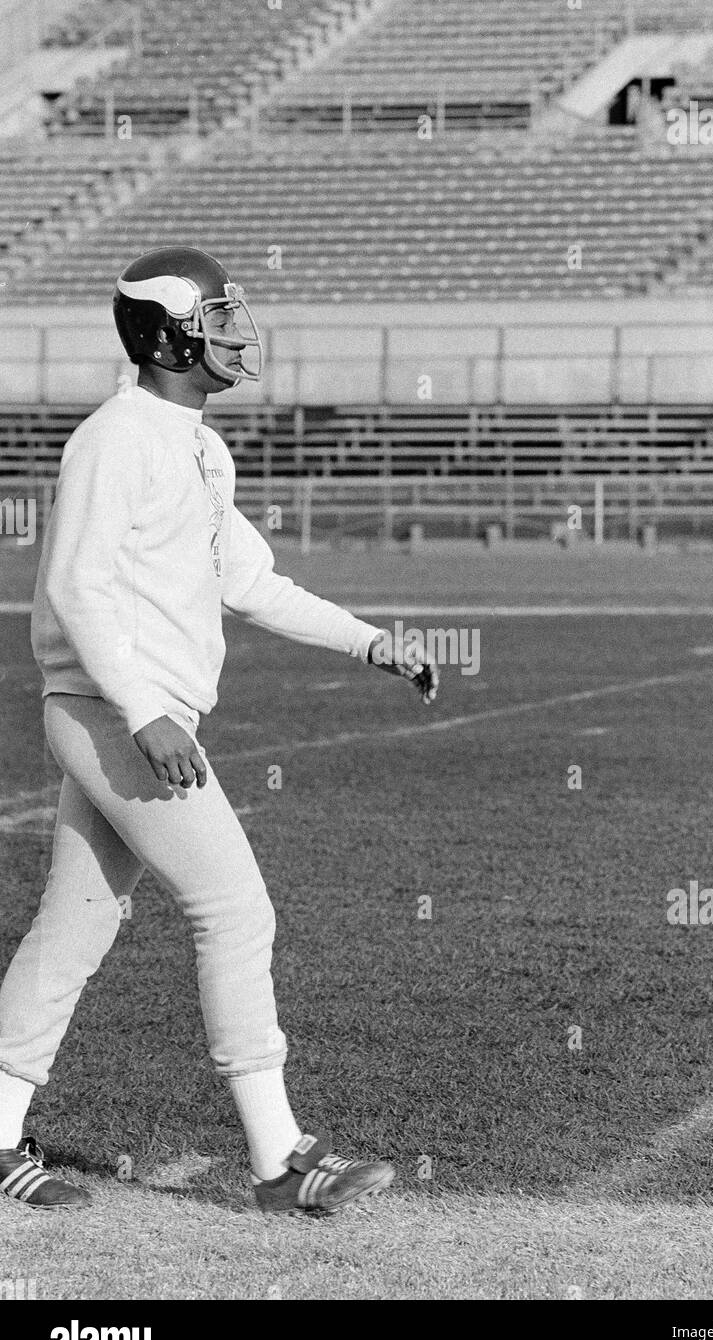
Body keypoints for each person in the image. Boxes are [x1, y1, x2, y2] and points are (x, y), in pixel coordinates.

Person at [0, 246, 438, 1214]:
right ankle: (279, 1159)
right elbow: (74, 587)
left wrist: (373, 644)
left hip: (127, 713)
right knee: (235, 909)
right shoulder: (116, 437)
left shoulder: (198, 446)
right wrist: (146, 710)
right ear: (163, 336)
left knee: (73, 928)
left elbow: (250, 583)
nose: (232, 332)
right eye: (213, 317)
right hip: (112, 713)